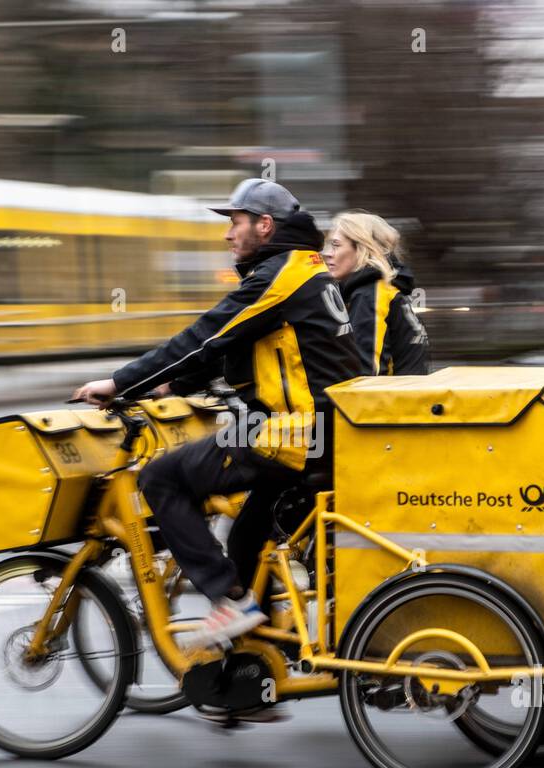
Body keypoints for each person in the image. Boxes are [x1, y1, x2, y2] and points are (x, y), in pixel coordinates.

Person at [71, 178, 365, 654]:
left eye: (236, 222)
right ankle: (254, 671)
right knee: (248, 535)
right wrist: (171, 384)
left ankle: (231, 601)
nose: (229, 234)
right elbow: (235, 345)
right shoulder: (302, 270)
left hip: (299, 433)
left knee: (162, 477)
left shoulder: (282, 276)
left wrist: (120, 383)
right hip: (329, 432)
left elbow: (205, 336)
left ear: (265, 225)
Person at [324, 211, 429, 375]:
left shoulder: (370, 295)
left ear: (361, 249)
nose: (328, 253)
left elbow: (368, 375)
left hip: (392, 399)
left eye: (336, 245)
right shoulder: (387, 290)